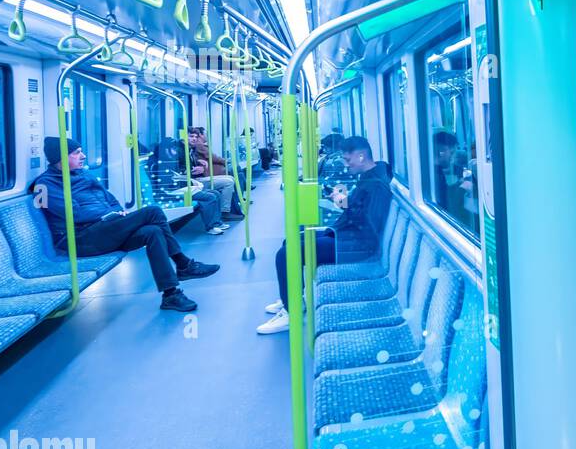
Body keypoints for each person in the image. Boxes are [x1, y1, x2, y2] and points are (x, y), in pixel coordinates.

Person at [32, 138, 217, 311]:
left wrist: (119, 212)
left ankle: (171, 294)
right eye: (76, 153)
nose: (83, 156)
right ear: (61, 157)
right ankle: (183, 264)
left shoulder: (83, 174)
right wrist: (110, 215)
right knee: (153, 212)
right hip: (79, 239)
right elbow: (73, 214)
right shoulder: (45, 184)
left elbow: (109, 199)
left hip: (105, 230)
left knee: (152, 231)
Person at [257, 136, 392, 334]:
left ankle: (291, 314)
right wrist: (344, 201)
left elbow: (369, 223)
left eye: (348, 160)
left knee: (286, 254)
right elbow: (361, 211)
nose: (346, 165)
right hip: (348, 234)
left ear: (362, 156)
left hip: (358, 245)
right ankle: (294, 298)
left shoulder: (377, 184)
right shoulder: (369, 177)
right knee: (291, 241)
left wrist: (342, 201)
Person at [188, 127, 241, 222]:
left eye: (196, 136)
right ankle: (226, 211)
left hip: (201, 175)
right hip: (196, 180)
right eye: (191, 136)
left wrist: (200, 164)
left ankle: (234, 205)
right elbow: (213, 158)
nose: (194, 139)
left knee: (231, 178)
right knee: (229, 180)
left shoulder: (191, 150)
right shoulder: (195, 147)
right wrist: (226, 161)